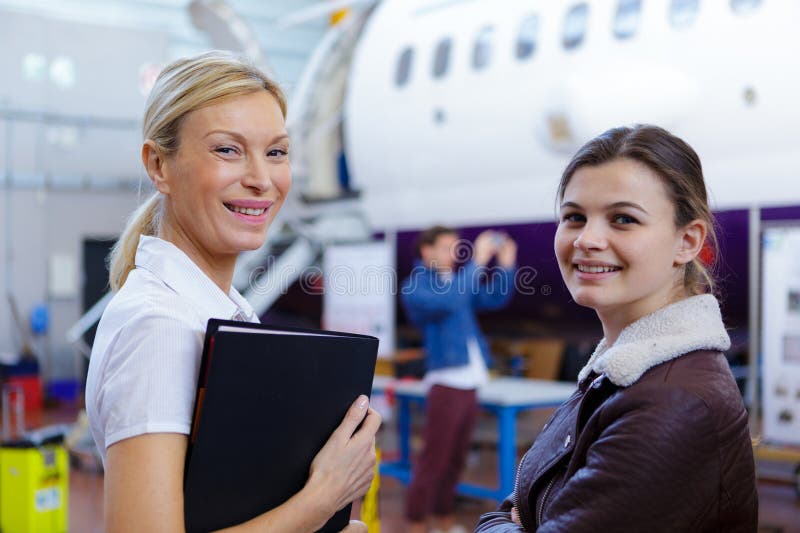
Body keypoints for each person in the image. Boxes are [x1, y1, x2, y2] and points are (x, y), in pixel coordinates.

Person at [85, 51, 380, 533]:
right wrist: (322, 499)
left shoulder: (215, 312)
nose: (262, 179)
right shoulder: (158, 328)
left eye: (277, 152)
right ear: (158, 165)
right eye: (228, 150)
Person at [475, 125, 757, 532]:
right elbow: (517, 504)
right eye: (574, 217)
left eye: (623, 219)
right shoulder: (622, 373)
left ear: (688, 240)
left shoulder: (672, 403)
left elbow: (514, 510)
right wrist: (512, 520)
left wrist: (507, 521)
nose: (587, 239)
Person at [401, 225, 517, 533]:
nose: (455, 254)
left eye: (457, 247)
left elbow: (494, 299)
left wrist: (505, 266)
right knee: (433, 461)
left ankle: (443, 522)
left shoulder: (456, 281)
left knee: (454, 462)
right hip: (446, 384)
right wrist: (477, 262)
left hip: (470, 383)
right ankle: (415, 525)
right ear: (426, 251)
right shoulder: (417, 286)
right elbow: (449, 302)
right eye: (446, 247)